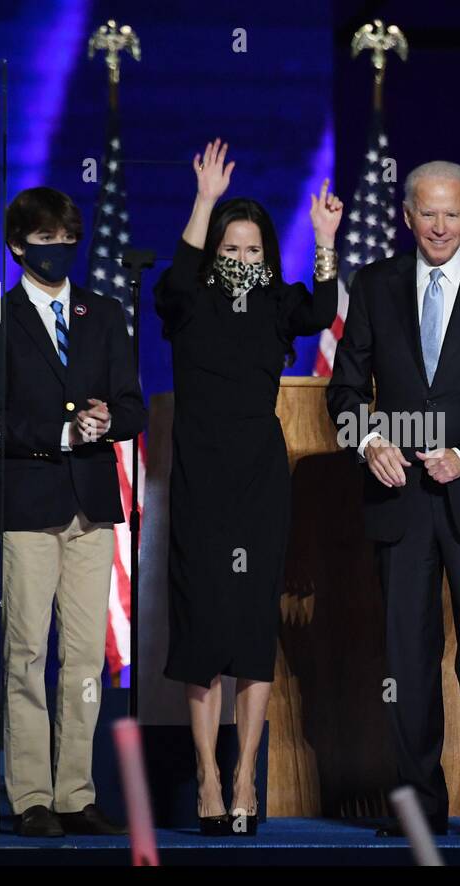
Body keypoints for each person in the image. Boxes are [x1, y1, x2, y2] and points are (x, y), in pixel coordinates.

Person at [327, 160, 460, 839]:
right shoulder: (374, 285)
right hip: (399, 499)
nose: (441, 225)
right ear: (407, 215)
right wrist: (367, 440)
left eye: (453, 213)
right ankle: (418, 804)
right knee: (408, 655)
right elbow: (344, 392)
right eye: (429, 212)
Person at [153, 140, 342, 835]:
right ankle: (206, 773)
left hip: (261, 479)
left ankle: (245, 775)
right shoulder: (189, 300)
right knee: (204, 627)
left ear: (267, 256)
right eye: (229, 250)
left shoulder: (275, 304)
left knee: (252, 625)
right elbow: (174, 281)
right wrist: (203, 201)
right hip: (202, 479)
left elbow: (321, 309)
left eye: (252, 249)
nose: (241, 260)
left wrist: (324, 241)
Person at [0, 186, 146, 838]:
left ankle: (76, 791)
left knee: (84, 659)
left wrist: (107, 420)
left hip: (93, 505)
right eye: (45, 239)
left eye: (68, 238)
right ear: (18, 246)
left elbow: (132, 405)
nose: (59, 249)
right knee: (24, 653)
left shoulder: (102, 313)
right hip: (31, 504)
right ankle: (31, 796)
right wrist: (62, 432)